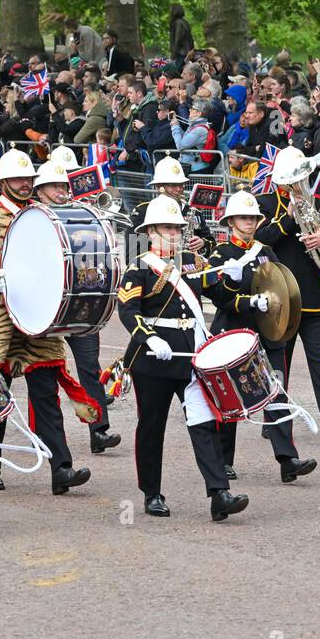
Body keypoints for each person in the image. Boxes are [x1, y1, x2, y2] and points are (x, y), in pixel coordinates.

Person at [0, 147, 96, 494]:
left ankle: (61, 468)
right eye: (17, 178)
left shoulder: (43, 214)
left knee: (46, 394)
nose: (24, 183)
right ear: (3, 181)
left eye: (28, 177)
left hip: (38, 315)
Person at [117, 195, 249, 521]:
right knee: (152, 425)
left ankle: (219, 494)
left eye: (176, 227)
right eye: (166, 227)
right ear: (150, 231)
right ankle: (151, 493)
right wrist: (149, 337)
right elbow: (128, 310)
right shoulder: (140, 268)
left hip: (191, 354)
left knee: (204, 423)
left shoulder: (194, 260)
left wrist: (232, 279)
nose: (173, 233)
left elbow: (220, 297)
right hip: (154, 358)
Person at [209, 190, 316, 483]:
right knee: (230, 398)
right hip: (235, 332)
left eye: (253, 217)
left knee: (277, 393)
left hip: (268, 334)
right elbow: (218, 297)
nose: (249, 222)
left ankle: (288, 459)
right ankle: (223, 459)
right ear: (231, 221)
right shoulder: (222, 254)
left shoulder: (266, 250)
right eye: (243, 217)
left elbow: (280, 285)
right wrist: (247, 301)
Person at [256, 147, 320, 444]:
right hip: (280, 297)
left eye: (301, 177)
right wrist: (289, 219)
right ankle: (274, 418)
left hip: (313, 294)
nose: (297, 184)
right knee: (278, 364)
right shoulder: (266, 204)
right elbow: (261, 240)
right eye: (292, 179)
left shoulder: (317, 203)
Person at [30, 159, 121, 454]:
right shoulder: (31, 218)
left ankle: (99, 430)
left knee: (89, 369)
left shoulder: (82, 216)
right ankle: (42, 435)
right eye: (54, 186)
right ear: (39, 190)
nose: (60, 191)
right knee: (42, 374)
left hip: (79, 302)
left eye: (63, 186)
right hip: (45, 306)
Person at [128, 156, 214, 255]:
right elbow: (133, 255)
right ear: (159, 186)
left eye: (181, 184)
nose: (178, 189)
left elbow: (211, 243)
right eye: (172, 185)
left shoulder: (194, 211)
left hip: (190, 267)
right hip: (155, 268)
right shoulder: (143, 211)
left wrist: (202, 244)